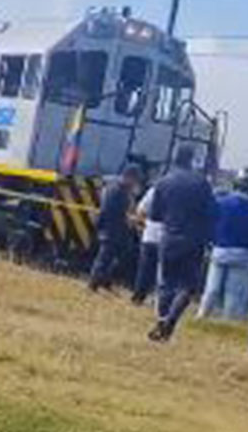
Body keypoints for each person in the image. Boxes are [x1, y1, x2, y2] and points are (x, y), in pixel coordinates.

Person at [147, 144, 216, 342]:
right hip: (194, 240)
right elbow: (211, 212)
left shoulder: (163, 182)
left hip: (169, 238)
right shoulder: (201, 182)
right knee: (188, 286)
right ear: (191, 159)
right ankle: (170, 322)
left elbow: (155, 215)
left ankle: (161, 322)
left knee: (166, 283)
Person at [197, 168, 248, 321]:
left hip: (219, 251)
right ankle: (229, 323)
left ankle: (202, 316)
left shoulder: (221, 202)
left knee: (211, 290)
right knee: (233, 295)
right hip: (243, 256)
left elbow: (209, 224)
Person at [88, 164, 142, 292]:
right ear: (129, 177)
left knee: (118, 256)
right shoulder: (115, 189)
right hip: (111, 228)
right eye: (135, 179)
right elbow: (109, 210)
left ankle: (106, 281)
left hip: (120, 229)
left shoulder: (124, 190)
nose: (135, 183)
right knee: (104, 257)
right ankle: (93, 283)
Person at [130, 180, 164, 304]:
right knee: (162, 270)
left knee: (144, 268)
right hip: (166, 235)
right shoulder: (178, 195)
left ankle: (138, 297)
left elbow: (140, 209)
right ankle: (157, 299)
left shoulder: (153, 191)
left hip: (149, 233)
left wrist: (141, 226)